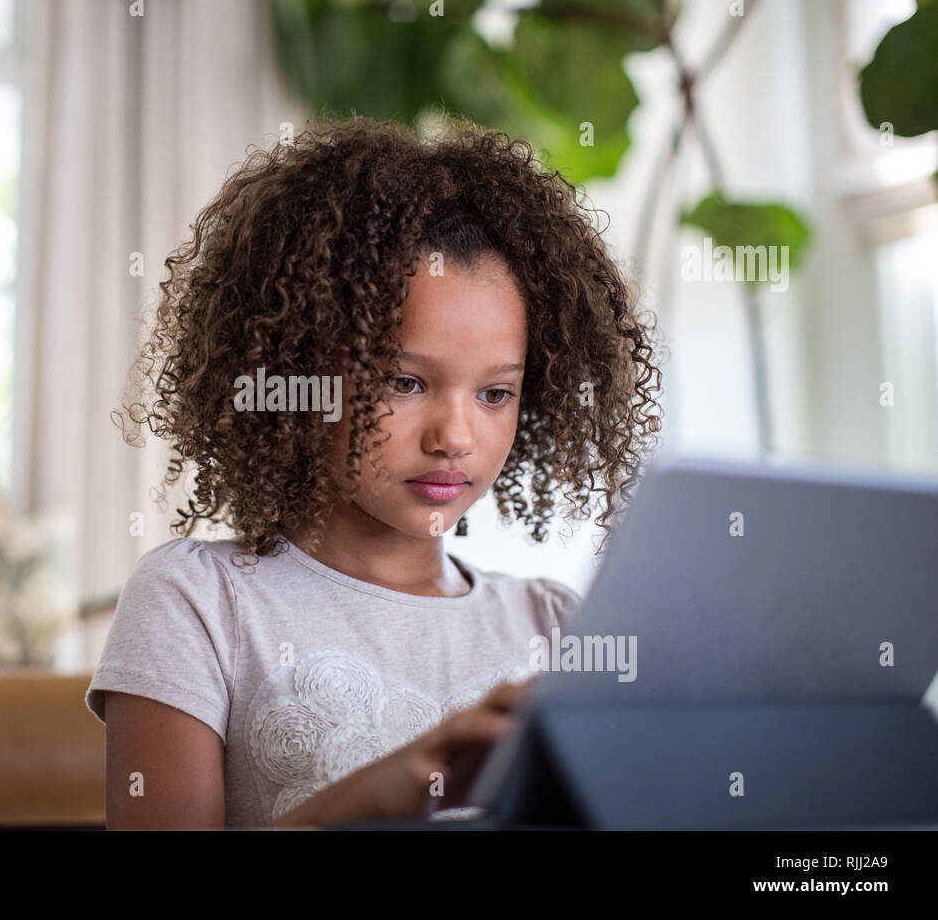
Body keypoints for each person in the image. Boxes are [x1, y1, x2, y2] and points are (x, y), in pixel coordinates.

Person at [85, 112, 664, 829]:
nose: (455, 436)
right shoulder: (198, 603)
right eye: (405, 383)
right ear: (296, 369)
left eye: (495, 393)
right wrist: (375, 798)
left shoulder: (552, 623)